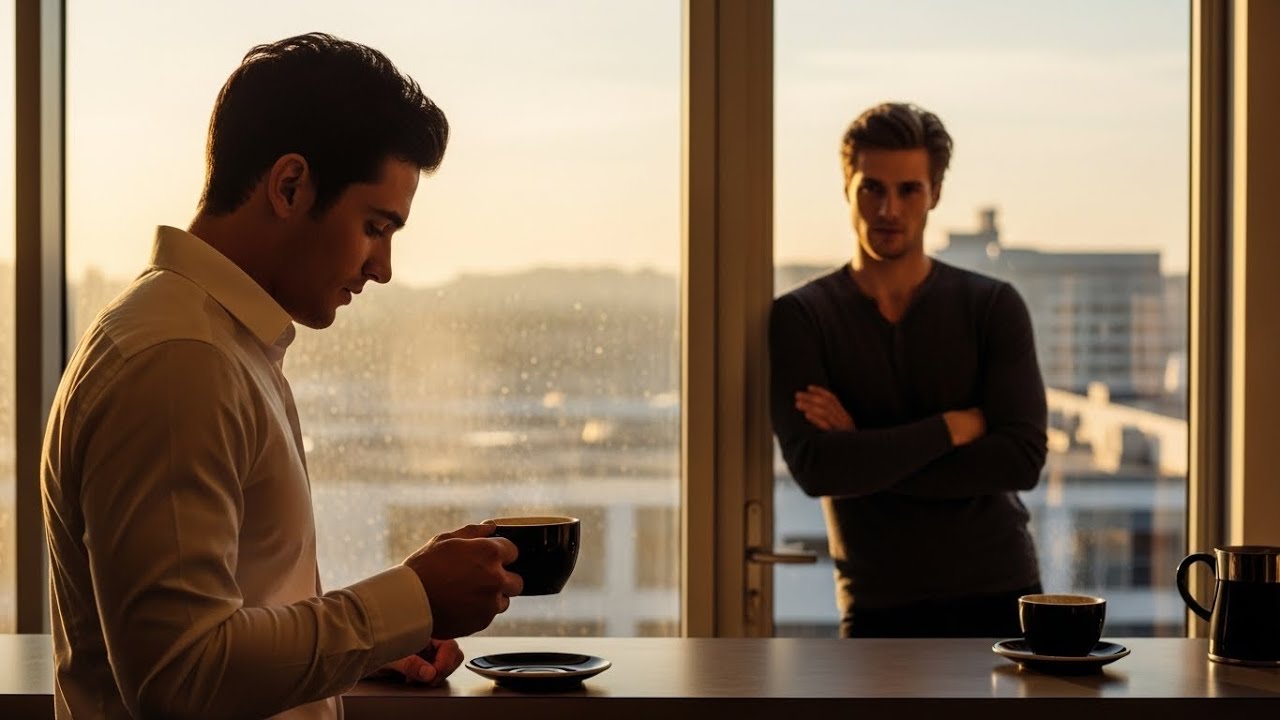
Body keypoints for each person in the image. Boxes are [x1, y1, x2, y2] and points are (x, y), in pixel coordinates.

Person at [40, 33, 523, 719]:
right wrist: (412, 599)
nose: (383, 267)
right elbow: (181, 677)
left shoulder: (202, 340)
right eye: (375, 226)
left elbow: (216, 628)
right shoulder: (181, 361)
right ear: (290, 186)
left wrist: (372, 640)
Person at [768, 102, 1047, 639]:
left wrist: (863, 448)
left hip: (999, 593)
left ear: (934, 193)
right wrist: (950, 428)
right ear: (847, 187)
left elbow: (1021, 460)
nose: (888, 208)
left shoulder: (992, 306)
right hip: (877, 603)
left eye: (909, 190)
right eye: (872, 188)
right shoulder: (802, 317)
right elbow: (818, 469)